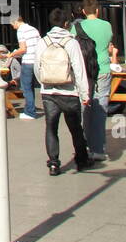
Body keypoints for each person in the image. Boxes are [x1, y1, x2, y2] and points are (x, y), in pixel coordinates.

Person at [35, 12, 90, 175]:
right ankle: (81, 160)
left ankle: (53, 163)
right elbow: (79, 69)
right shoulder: (71, 42)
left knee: (51, 127)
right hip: (69, 91)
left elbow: (36, 67)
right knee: (75, 128)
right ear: (66, 23)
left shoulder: (43, 42)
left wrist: (44, 82)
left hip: (48, 91)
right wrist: (84, 94)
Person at [76, 0, 114, 163]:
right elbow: (107, 44)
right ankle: (98, 149)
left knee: (85, 108)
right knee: (100, 109)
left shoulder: (77, 27)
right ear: (98, 10)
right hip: (103, 70)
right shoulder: (107, 25)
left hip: (84, 73)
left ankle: (84, 144)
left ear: (83, 11)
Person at [8, 15, 42, 120]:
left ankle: (30, 112)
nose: (13, 27)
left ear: (16, 22)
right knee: (32, 86)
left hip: (28, 61)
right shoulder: (34, 29)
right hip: (36, 60)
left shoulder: (21, 31)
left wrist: (12, 54)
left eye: (12, 25)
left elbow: (23, 49)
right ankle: (31, 109)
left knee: (26, 87)